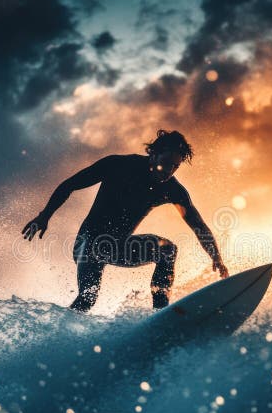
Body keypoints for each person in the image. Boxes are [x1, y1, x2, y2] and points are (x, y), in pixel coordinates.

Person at [22, 129, 229, 312]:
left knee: (167, 250)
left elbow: (198, 225)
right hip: (88, 242)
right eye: (166, 163)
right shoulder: (117, 165)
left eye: (175, 167)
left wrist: (216, 258)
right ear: (153, 153)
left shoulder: (171, 189)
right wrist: (44, 216)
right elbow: (70, 185)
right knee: (87, 299)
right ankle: (58, 335)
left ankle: (160, 312)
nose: (168, 171)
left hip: (118, 246)